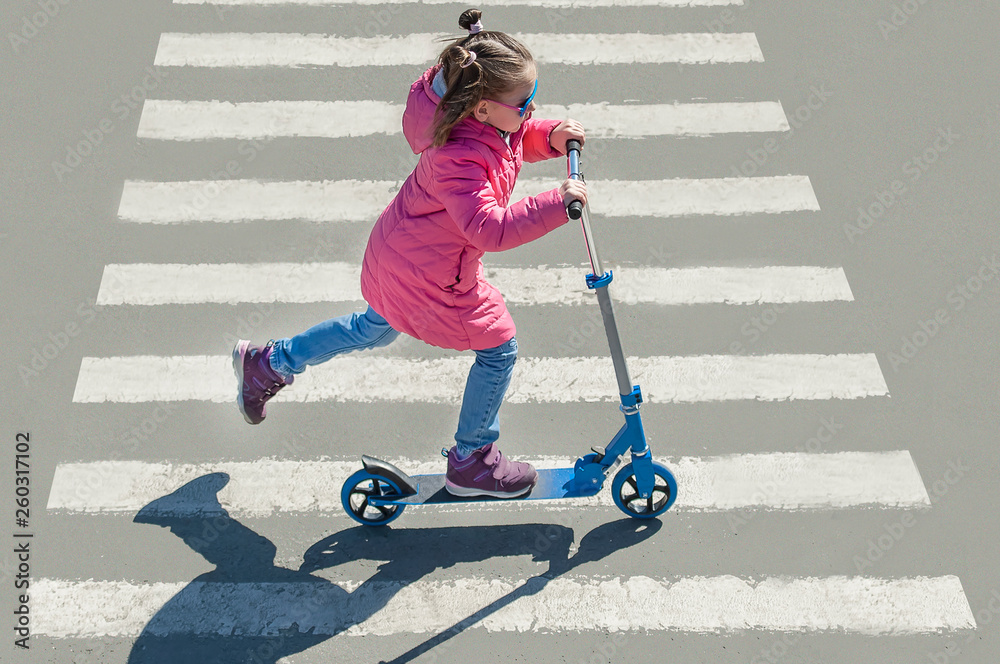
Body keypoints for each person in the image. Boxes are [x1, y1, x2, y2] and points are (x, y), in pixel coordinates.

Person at [232, 8, 587, 499]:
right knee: (498, 348)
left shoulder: (477, 124)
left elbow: (508, 142)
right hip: (432, 274)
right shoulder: (459, 158)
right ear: (482, 107)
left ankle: (270, 363)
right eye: (525, 102)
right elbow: (488, 228)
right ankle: (472, 459)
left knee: (372, 328)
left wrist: (547, 136)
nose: (530, 108)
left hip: (402, 253)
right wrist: (557, 202)